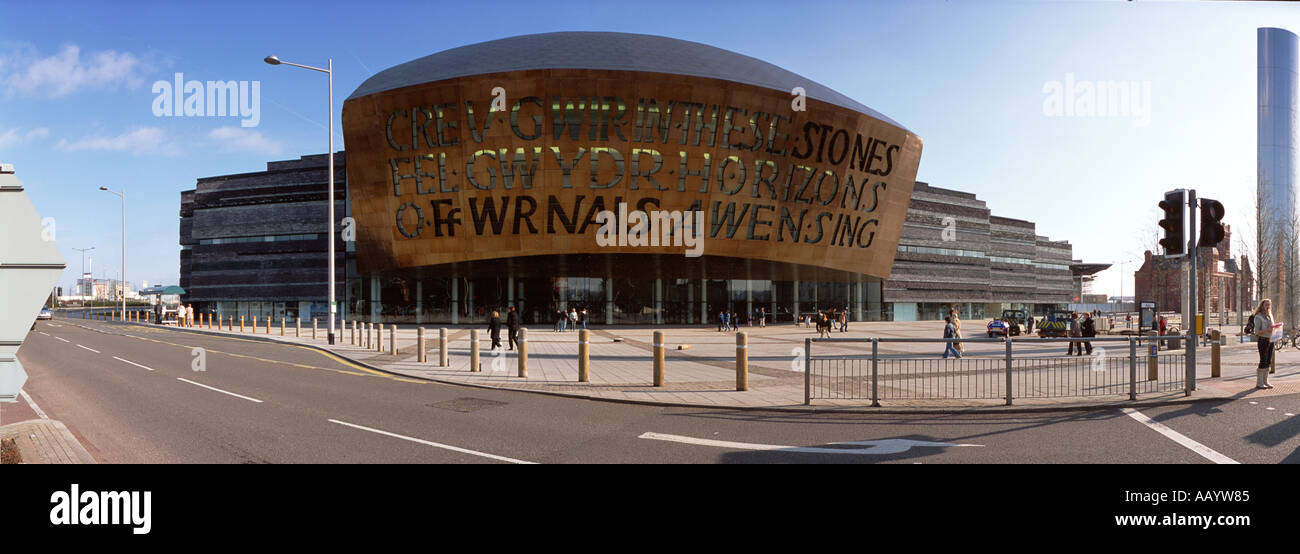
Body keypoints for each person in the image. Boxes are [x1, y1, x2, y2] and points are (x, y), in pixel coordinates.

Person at [1252, 299, 1275, 389]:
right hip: (1263, 341)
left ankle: (1266, 381)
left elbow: (1272, 327)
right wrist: (1267, 330)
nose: (1268, 306)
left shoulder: (1270, 315)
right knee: (1263, 360)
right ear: (1262, 306)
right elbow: (1256, 332)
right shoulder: (1258, 317)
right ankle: (1259, 382)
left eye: (1269, 304)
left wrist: (1276, 327)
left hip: (1271, 340)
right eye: (1266, 304)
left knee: (1268, 361)